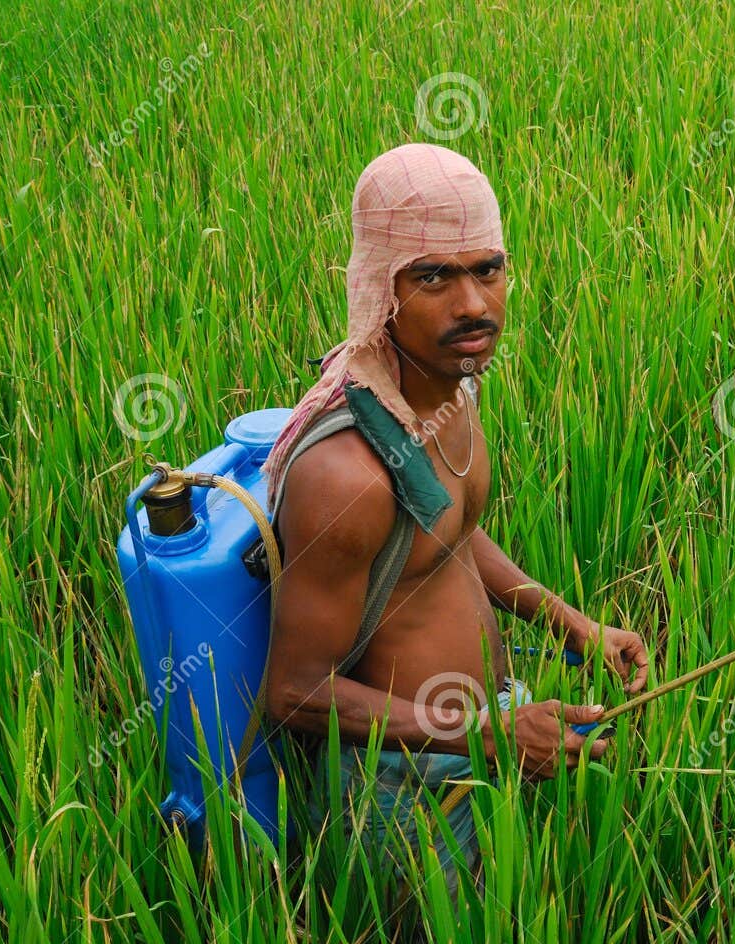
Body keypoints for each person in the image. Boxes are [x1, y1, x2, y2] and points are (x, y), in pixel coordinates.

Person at [262, 143, 650, 898]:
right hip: (402, 785)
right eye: (435, 275)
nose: (474, 304)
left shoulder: (448, 388)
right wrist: (489, 735)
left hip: (488, 738)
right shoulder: (344, 477)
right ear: (382, 289)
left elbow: (445, 532)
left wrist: (569, 621)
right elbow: (296, 691)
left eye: (489, 268)